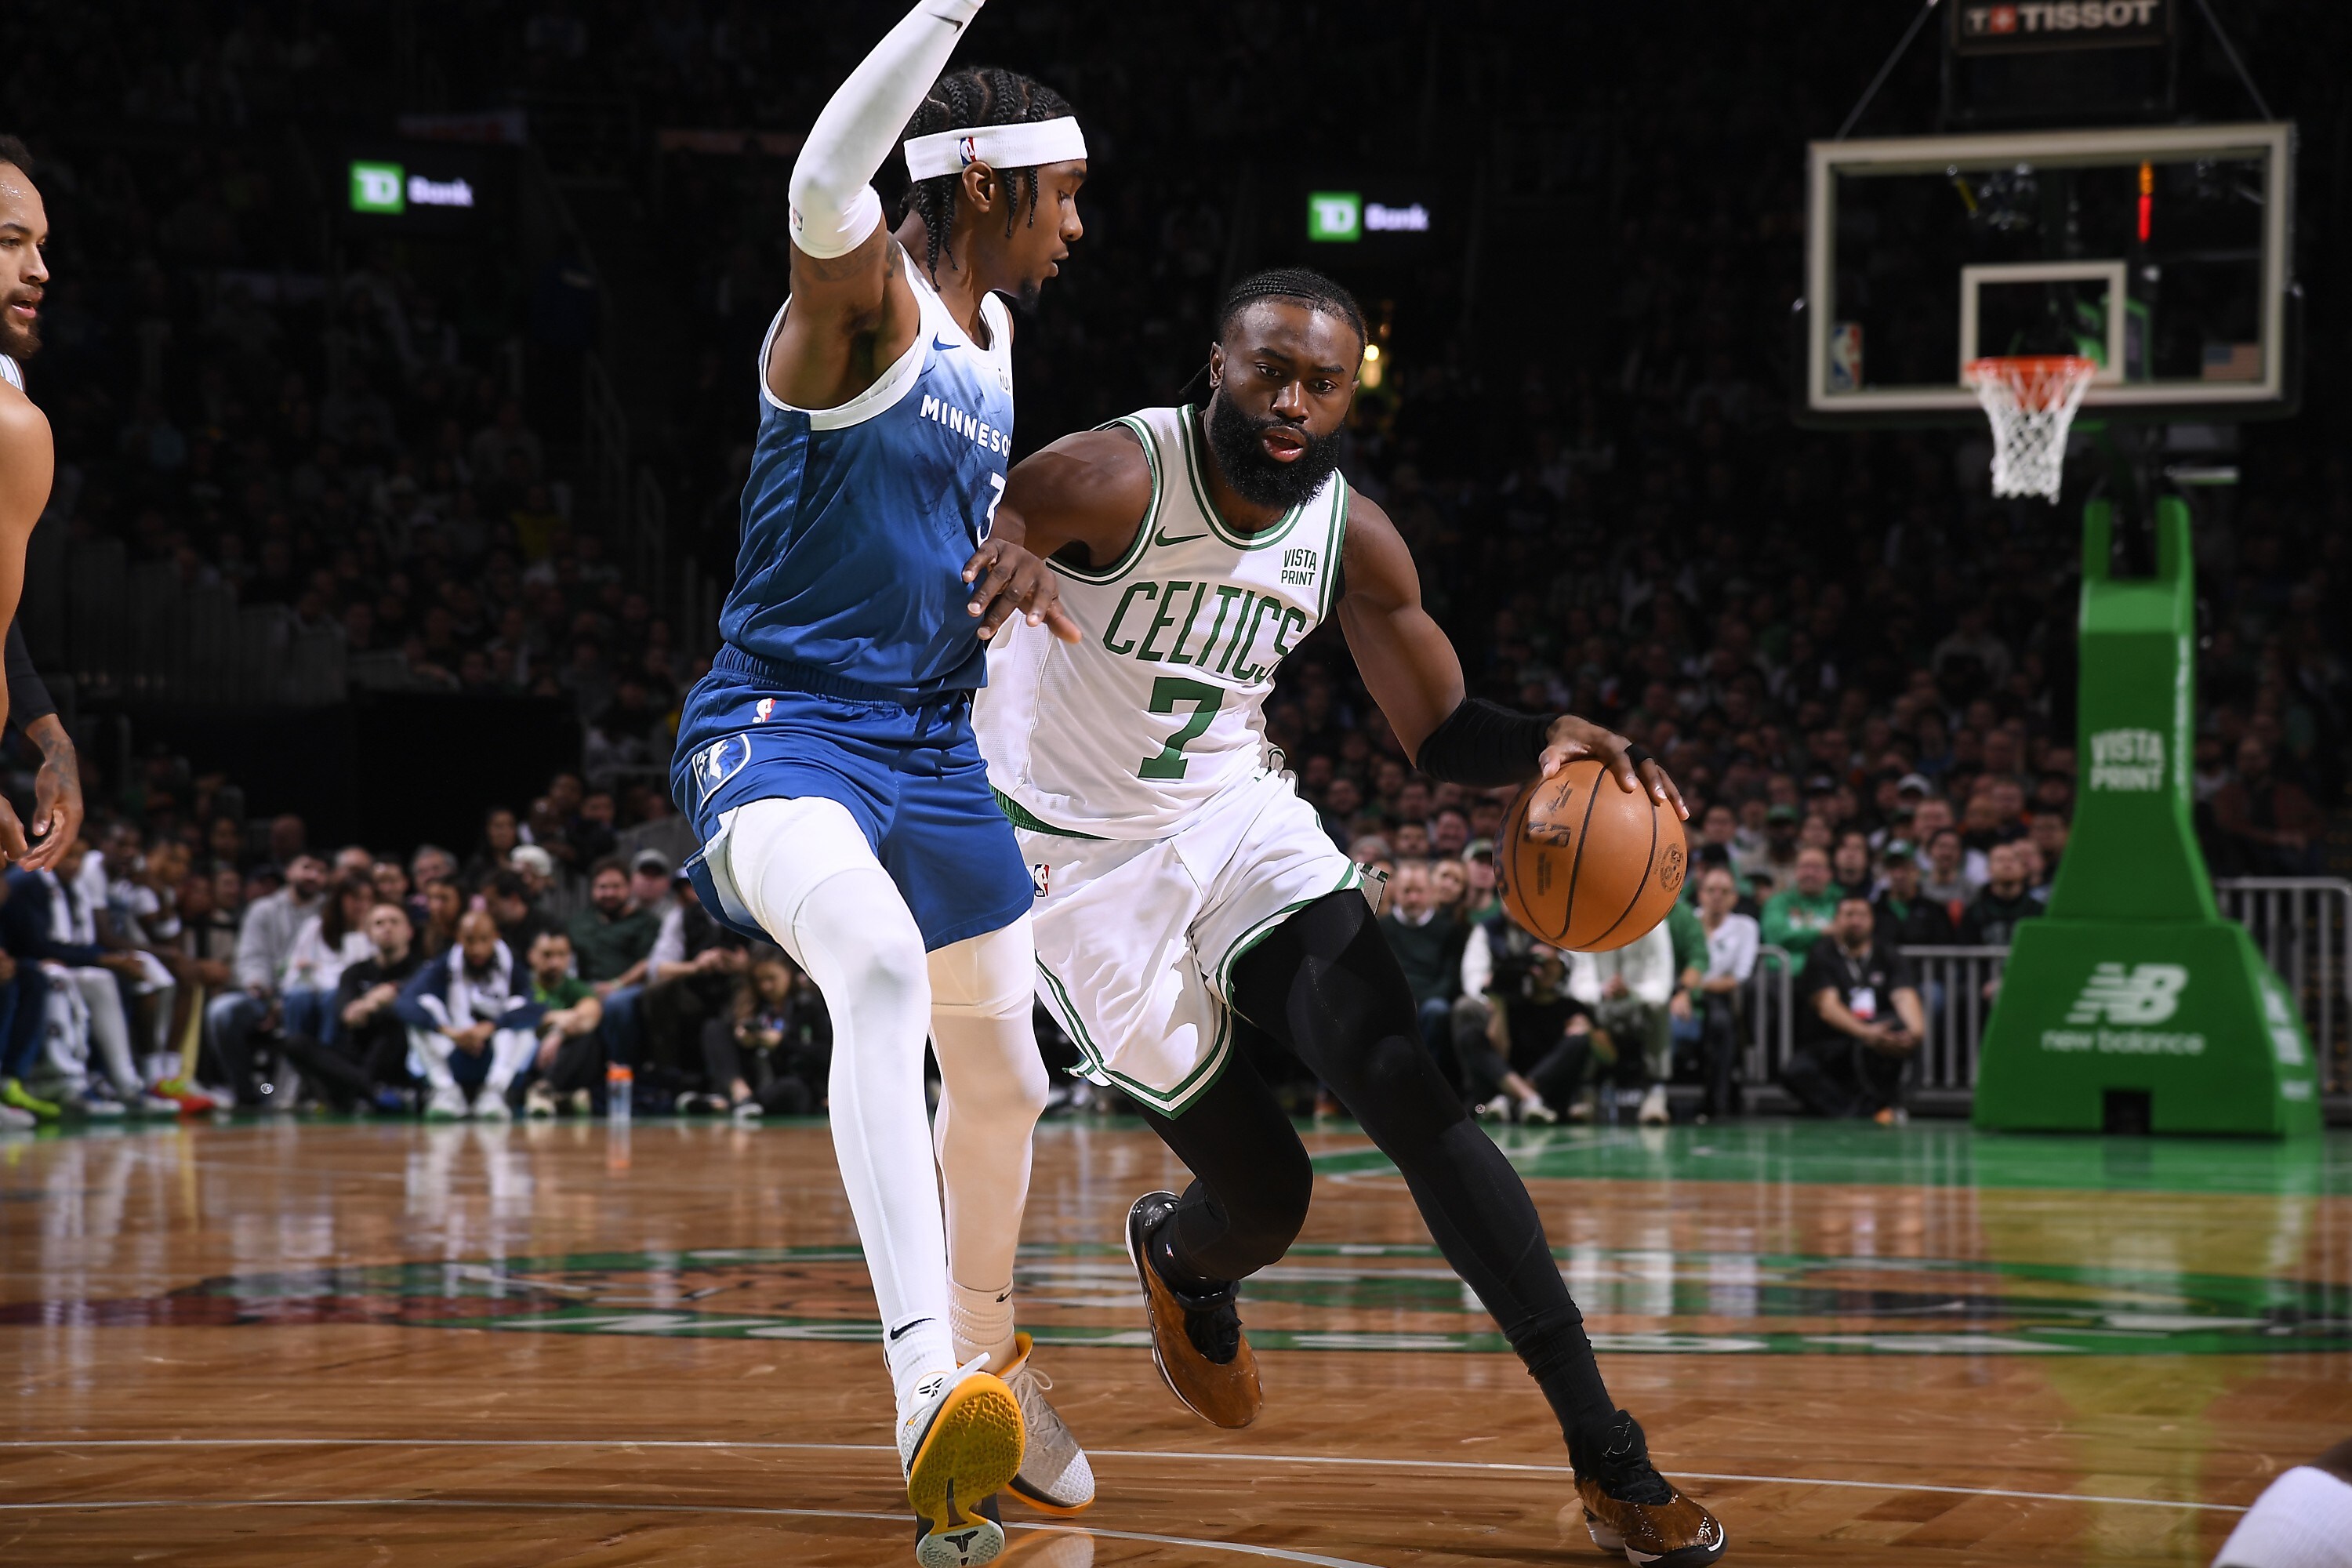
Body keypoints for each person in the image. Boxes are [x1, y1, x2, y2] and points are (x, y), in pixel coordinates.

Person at [977, 266, 1722, 1558]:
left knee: (1416, 1096)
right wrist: (983, 565)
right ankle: (1189, 1258)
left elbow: (1435, 732)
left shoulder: (1349, 537)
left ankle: (1611, 1458)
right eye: (1270, 368)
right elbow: (949, 552)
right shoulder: (1103, 479)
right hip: (1080, 872)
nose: (1292, 401)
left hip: (1236, 825)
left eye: (1323, 382)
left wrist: (1547, 737)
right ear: (1215, 363)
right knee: (1272, 1196)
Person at [662, 4, 1096, 1552]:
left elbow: (969, 512)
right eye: (1064, 195)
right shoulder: (864, 307)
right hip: (784, 734)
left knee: (1012, 1081)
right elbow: (820, 179)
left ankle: (991, 1361)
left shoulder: (1002, 345)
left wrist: (1019, 549)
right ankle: (926, 1397)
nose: (1080, 225)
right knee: (874, 970)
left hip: (934, 749)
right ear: (982, 186)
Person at [0, 137, 56, 858]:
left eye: (40, 244)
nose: (40, 269)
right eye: (10, 242)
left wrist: (50, 735)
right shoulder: (12, 426)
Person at [1783, 895, 1925, 1124]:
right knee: (1797, 1072)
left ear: (1872, 920)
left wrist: (1916, 1033)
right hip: (1834, 1041)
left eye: (1862, 915)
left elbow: (1904, 995)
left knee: (1898, 1035)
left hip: (1879, 1040)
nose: (1855, 921)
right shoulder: (1822, 954)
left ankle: (1884, 1104)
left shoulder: (1887, 954)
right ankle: (1855, 1114)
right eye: (1849, 915)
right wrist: (1866, 1033)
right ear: (1836, 920)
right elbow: (1828, 1006)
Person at [394, 908, 540, 1121]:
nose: (477, 949)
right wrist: (448, 1031)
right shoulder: (443, 966)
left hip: (494, 1054)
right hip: (454, 1051)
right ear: (459, 938)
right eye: (470, 940)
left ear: (496, 938)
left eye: (484, 940)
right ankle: (446, 1092)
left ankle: (495, 1092)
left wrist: (492, 1027)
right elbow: (404, 1004)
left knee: (519, 1010)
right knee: (424, 1005)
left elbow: (536, 1008)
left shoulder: (513, 968)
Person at [280, 901, 423, 1114]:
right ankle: (371, 1091)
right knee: (294, 1043)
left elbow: (409, 1007)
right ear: (368, 934)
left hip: (396, 1059)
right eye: (379, 923)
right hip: (354, 1056)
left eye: (394, 922)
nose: (387, 928)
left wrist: (370, 1006)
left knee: (397, 1018)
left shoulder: (421, 969)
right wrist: (374, 1002)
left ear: (409, 931)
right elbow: (345, 1014)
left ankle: (358, 1092)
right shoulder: (355, 972)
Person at [1563, 924, 1679, 1125]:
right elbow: (1578, 985)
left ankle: (1656, 1091)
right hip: (1601, 1006)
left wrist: (1631, 992)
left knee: (1659, 1008)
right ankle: (1586, 1091)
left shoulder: (1656, 924)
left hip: (1638, 1005)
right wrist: (1602, 990)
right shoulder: (1583, 920)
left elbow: (1662, 986)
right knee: (1579, 1011)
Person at [695, 953, 834, 1117]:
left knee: (793, 1089)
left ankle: (730, 1105)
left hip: (793, 1082)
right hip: (754, 1078)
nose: (766, 986)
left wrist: (782, 1044)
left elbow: (826, 1054)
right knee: (714, 1028)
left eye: (772, 978)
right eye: (760, 980)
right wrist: (745, 1038)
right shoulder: (755, 1005)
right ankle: (740, 1094)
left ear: (788, 974)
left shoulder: (809, 1006)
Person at [1682, 865, 1759, 1122]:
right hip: (1682, 994)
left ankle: (1717, 1101)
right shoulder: (1688, 920)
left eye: (1724, 891)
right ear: (1700, 895)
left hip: (1719, 997)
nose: (1717, 896)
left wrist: (1696, 984)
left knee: (1721, 1023)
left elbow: (1738, 977)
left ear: (1734, 898)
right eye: (1711, 890)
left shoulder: (1745, 926)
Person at [519, 931, 603, 1120]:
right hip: (528, 1062)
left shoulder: (575, 987)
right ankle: (555, 1096)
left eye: (561, 955)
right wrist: (550, 1017)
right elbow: (512, 1016)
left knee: (587, 1035)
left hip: (562, 1063)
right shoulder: (522, 984)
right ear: (531, 955)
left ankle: (545, 1091)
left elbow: (591, 1012)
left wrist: (559, 1033)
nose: (554, 963)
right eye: (547, 955)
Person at [1759, 844, 1838, 962]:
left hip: (1829, 974)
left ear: (1829, 873)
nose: (1810, 873)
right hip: (1782, 975)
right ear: (1795, 871)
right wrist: (1822, 933)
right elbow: (1778, 936)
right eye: (1805, 867)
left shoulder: (1840, 902)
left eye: (1817, 868)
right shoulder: (1777, 902)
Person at [1958, 841, 2042, 947]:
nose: (2007, 865)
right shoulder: (1975, 912)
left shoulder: (2038, 910)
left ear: (2024, 868)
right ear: (1989, 869)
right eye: (2000, 860)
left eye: (2013, 859)